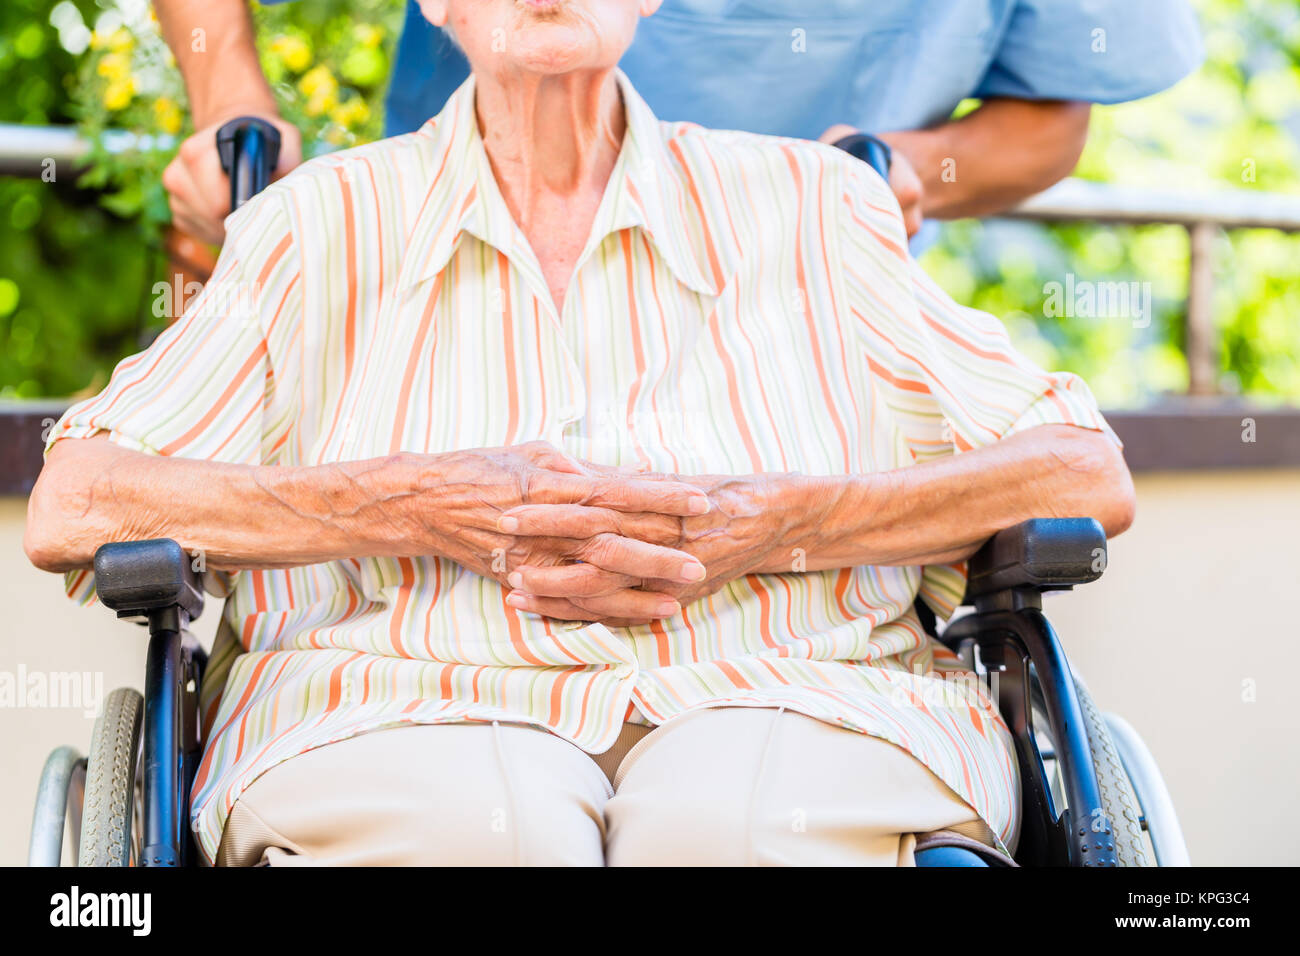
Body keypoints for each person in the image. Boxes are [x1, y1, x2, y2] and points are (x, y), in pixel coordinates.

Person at [27, 0, 1135, 866]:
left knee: (727, 826)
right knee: (482, 833)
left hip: (797, 688)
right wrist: (408, 501)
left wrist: (784, 522)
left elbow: (1082, 470)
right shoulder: (314, 227)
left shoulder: (809, 207)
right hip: (396, 702)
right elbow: (80, 499)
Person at [156, 0, 1202, 243]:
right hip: (454, 250)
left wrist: (893, 168)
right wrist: (231, 103)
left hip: (803, 303)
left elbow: (1052, 117)